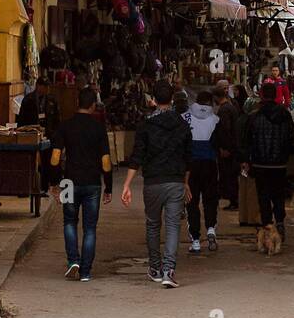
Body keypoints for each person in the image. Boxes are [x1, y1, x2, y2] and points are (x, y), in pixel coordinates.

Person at [121, 81, 192, 288]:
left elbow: (137, 157)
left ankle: (155, 268)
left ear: (153, 98)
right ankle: (169, 271)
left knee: (153, 224)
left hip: (152, 183)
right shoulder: (182, 125)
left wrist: (127, 184)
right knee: (172, 226)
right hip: (175, 182)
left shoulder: (146, 125)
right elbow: (189, 157)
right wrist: (186, 183)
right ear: (172, 99)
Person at [49, 86, 112, 282]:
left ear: (78, 103)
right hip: (93, 183)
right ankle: (85, 271)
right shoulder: (98, 128)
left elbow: (55, 157)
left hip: (69, 182)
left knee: (69, 221)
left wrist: (54, 183)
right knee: (90, 227)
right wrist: (108, 187)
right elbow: (106, 160)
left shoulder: (65, 126)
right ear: (93, 106)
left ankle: (73, 261)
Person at [240, 80, 294, 240]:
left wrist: (246, 161)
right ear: (276, 94)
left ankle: (267, 225)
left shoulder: (254, 116)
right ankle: (279, 222)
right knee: (278, 195)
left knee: (263, 196)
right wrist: (284, 154)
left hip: (260, 164)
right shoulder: (285, 114)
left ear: (262, 95)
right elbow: (291, 136)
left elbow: (247, 141)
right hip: (279, 164)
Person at [184, 90, 221, 253]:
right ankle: (211, 229)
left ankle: (196, 240)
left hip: (191, 165)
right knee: (210, 198)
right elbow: (219, 141)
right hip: (210, 163)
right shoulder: (215, 119)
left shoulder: (185, 117)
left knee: (191, 201)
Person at [213, 81, 241, 210]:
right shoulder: (231, 107)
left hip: (228, 149)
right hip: (233, 146)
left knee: (229, 175)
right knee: (231, 176)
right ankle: (234, 200)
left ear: (217, 98)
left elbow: (225, 130)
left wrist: (225, 148)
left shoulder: (224, 110)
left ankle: (234, 201)